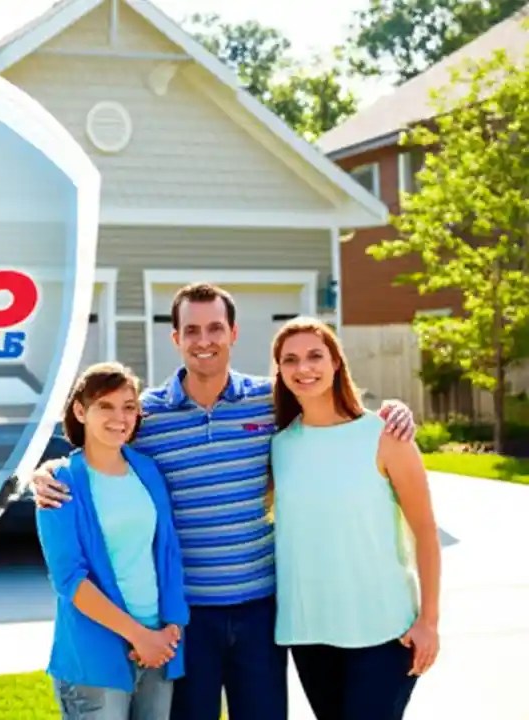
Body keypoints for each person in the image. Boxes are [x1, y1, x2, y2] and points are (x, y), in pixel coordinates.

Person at [30, 283, 417, 720]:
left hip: (260, 611)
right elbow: (101, 446)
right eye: (191, 330)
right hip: (188, 616)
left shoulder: (269, 402)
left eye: (215, 328)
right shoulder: (148, 416)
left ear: (233, 333)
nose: (204, 340)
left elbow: (330, 413)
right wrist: (46, 473)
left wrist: (395, 409)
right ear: (175, 338)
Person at [269, 317, 440, 720]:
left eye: (315, 355)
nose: (303, 368)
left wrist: (429, 622)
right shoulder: (278, 445)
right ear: (280, 372)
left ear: (336, 363)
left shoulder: (385, 436)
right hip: (311, 632)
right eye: (290, 360)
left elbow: (426, 532)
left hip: (386, 630)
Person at [36, 361, 190, 720]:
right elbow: (70, 580)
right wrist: (138, 636)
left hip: (159, 646)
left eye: (129, 406)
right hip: (95, 654)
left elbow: (167, 554)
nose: (119, 417)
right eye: (105, 406)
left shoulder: (147, 470)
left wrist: (169, 629)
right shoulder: (60, 482)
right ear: (80, 410)